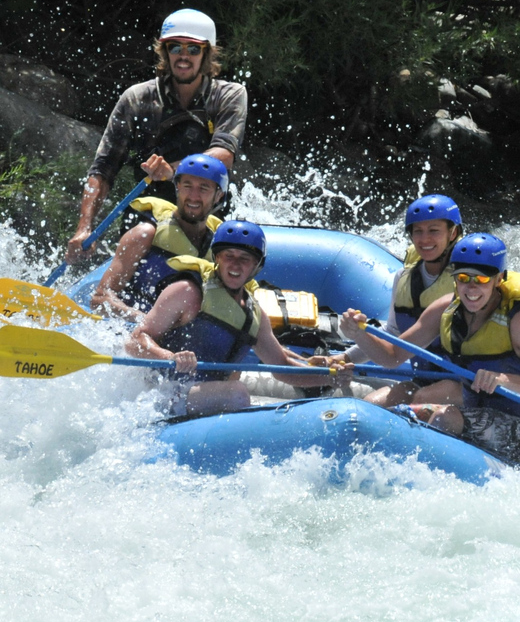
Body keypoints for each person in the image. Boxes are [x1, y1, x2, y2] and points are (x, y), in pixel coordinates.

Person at [66, 8, 247, 262]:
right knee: (142, 234)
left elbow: (224, 154)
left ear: (206, 54)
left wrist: (173, 171)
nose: (183, 56)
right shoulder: (136, 98)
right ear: (165, 52)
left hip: (208, 211)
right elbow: (103, 168)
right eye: (175, 47)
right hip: (149, 214)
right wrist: (84, 227)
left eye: (193, 49)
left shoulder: (229, 95)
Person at [126, 220, 352, 417]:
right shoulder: (188, 291)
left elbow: (282, 367)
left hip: (204, 400)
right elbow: (135, 339)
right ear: (217, 258)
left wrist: (329, 377)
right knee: (237, 393)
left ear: (256, 266)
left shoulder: (255, 315)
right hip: (162, 393)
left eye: (245, 258)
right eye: (229, 256)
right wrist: (169, 356)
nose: (235, 264)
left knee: (235, 388)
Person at [340, 233, 520, 462]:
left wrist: (503, 380)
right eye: (464, 278)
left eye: (482, 280)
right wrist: (359, 334)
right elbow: (393, 357)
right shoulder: (445, 308)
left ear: (499, 279)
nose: (471, 288)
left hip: (514, 422)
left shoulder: (515, 319)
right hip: (472, 408)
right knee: (380, 403)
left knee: (445, 418)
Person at [313, 193, 463, 407]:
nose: (424, 239)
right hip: (425, 379)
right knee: (372, 404)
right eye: (418, 231)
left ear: (453, 233)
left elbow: (394, 355)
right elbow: (392, 335)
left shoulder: (468, 284)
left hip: (464, 383)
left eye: (434, 231)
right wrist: (344, 358)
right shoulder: (404, 278)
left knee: (424, 401)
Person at [90, 154, 228, 321]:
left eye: (204, 188)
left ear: (219, 195)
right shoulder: (145, 234)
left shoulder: (221, 248)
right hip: (130, 326)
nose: (193, 195)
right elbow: (100, 299)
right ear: (177, 187)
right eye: (187, 185)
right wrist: (149, 321)